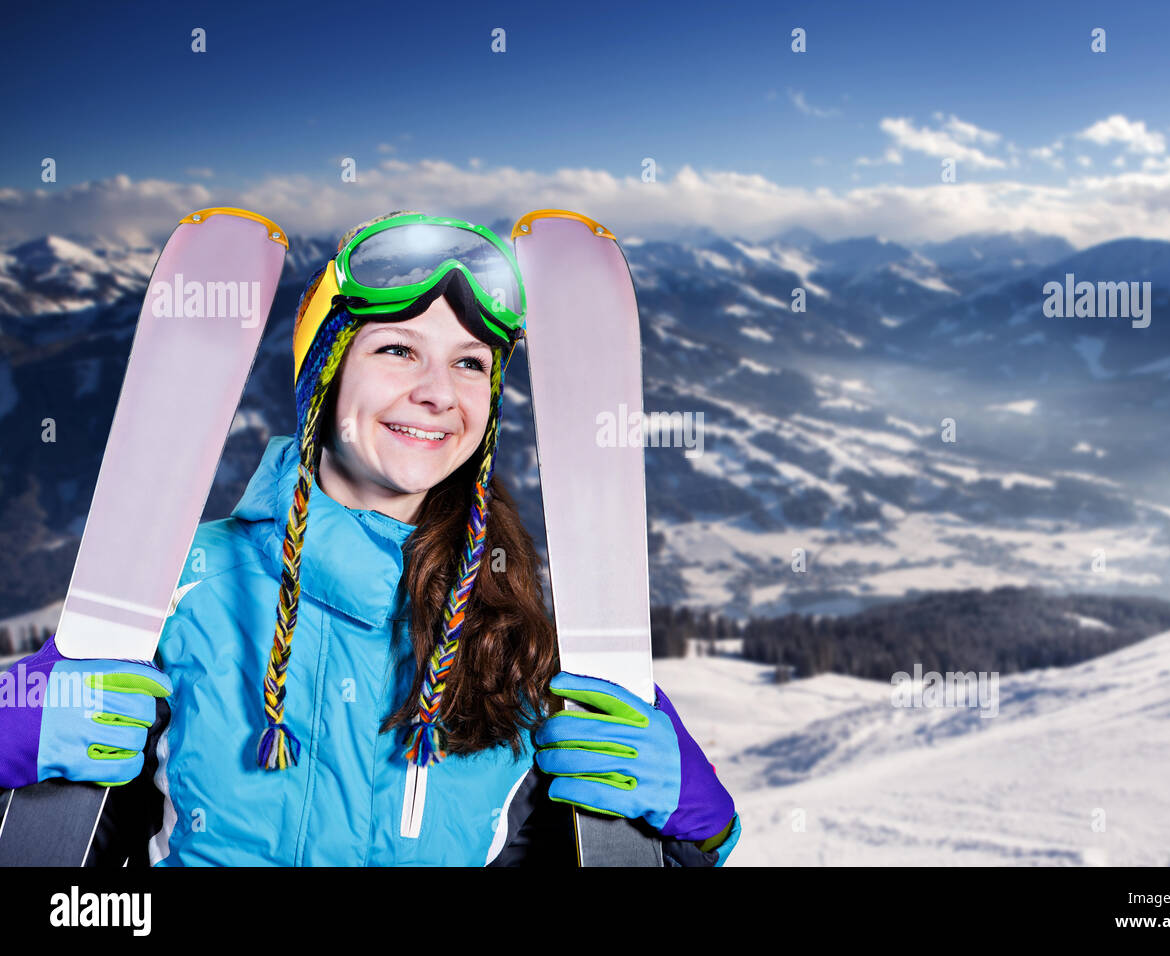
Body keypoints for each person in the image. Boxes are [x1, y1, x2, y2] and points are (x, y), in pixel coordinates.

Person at [0, 210, 741, 866]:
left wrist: (691, 834)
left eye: (470, 363)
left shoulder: (517, 630)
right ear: (324, 377)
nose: (438, 392)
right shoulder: (177, 586)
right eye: (397, 350)